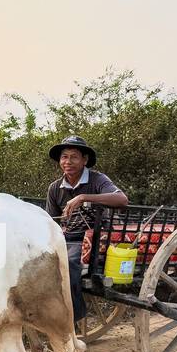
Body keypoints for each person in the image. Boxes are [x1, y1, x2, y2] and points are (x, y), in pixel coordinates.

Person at [43, 135, 128, 322]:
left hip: (94, 240)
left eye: (74, 157)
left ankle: (73, 316)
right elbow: (52, 222)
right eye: (64, 157)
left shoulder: (97, 180)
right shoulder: (55, 188)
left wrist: (84, 197)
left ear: (84, 160)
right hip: (66, 238)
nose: (68, 162)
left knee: (68, 262)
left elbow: (122, 200)